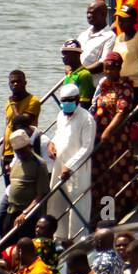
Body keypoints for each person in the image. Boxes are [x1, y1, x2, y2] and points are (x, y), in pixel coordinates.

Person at [46, 82, 95, 242]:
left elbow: (87, 148)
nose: (65, 103)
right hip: (59, 165)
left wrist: (70, 166)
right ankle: (57, 240)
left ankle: (77, 241)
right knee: (56, 202)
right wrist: (52, 144)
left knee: (77, 205)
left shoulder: (87, 119)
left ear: (77, 99)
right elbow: (58, 134)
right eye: (63, 100)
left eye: (69, 100)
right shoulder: (61, 115)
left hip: (77, 170)